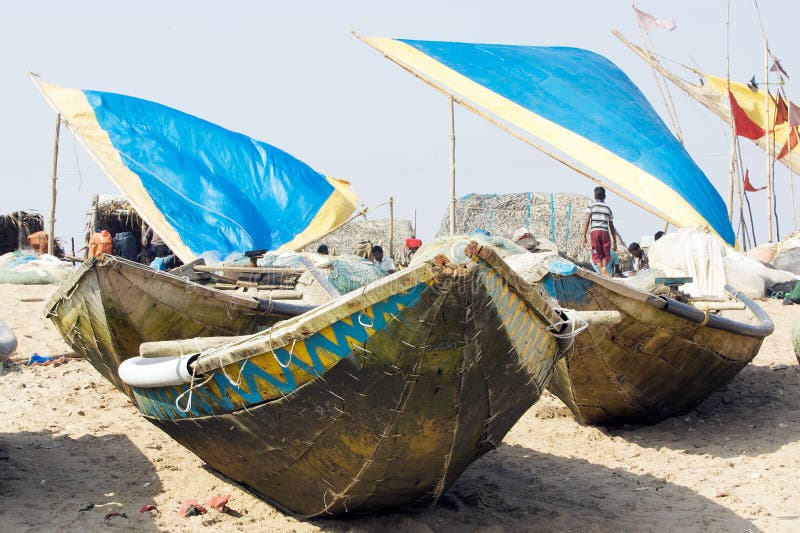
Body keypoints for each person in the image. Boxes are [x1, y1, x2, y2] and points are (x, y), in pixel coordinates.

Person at [582, 186, 617, 277]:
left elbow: (587, 221)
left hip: (595, 232)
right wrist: (615, 241)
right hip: (605, 232)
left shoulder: (591, 207)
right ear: (605, 196)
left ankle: (601, 271)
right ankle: (604, 267)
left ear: (594, 196)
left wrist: (584, 236)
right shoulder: (608, 209)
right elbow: (612, 226)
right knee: (606, 253)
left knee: (596, 253)